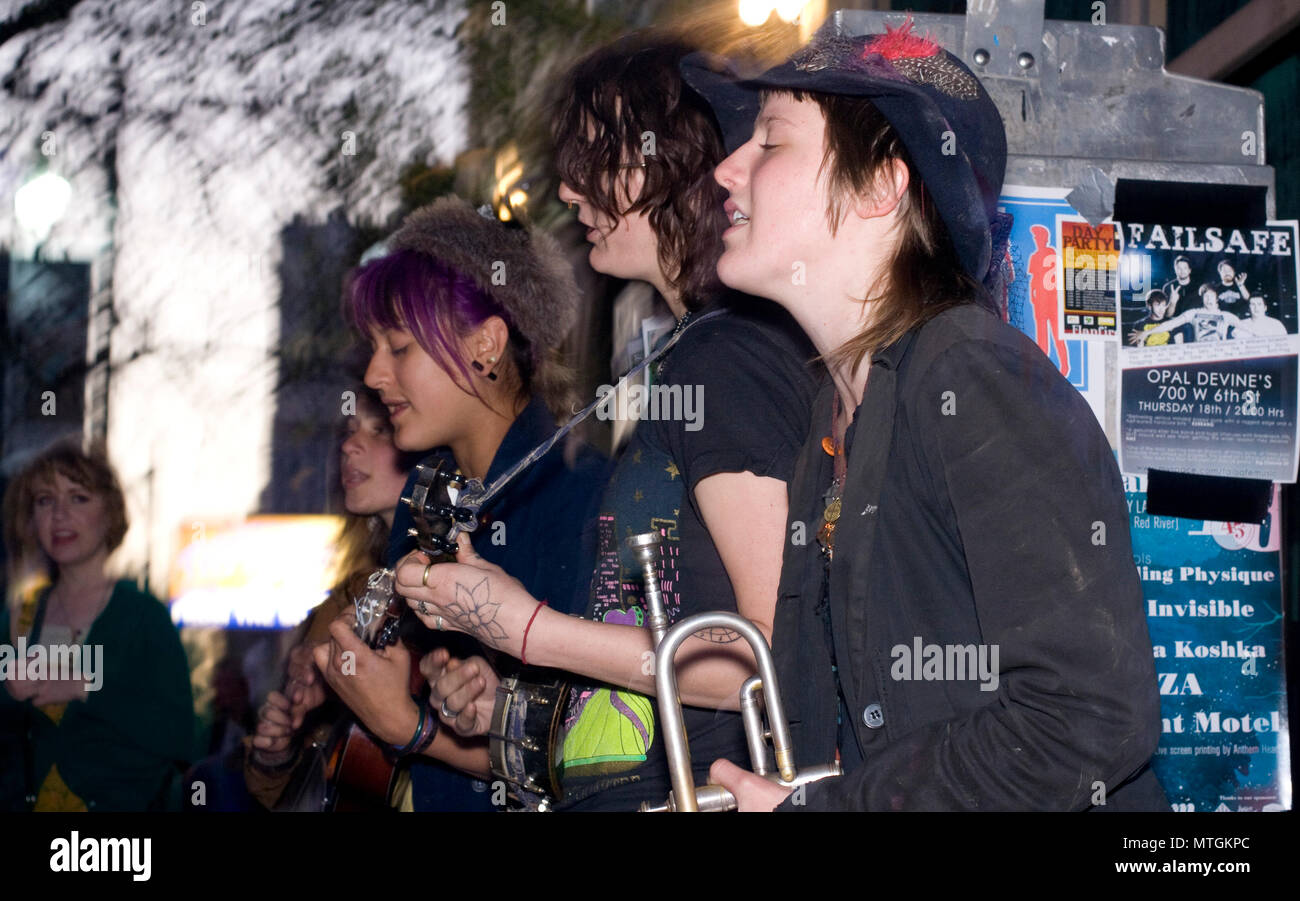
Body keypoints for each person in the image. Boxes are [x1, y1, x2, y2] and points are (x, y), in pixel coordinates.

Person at [684, 23, 1166, 810]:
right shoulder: (832, 420)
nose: (727, 168)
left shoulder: (971, 376)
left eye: (771, 142)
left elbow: (1090, 717)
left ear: (880, 186)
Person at [402, 33, 818, 811]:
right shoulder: (690, 356)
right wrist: (521, 694)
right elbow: (655, 665)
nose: (568, 189)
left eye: (599, 154)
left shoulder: (723, 361)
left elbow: (768, 657)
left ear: (682, 165)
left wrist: (527, 630)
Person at [312, 196, 609, 812]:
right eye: (373, 347)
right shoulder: (424, 507)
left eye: (398, 347)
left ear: (487, 345)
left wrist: (416, 729)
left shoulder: (585, 501)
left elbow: (601, 754)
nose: (372, 374)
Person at [240, 386, 417, 809]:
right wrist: (276, 753)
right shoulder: (338, 607)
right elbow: (301, 789)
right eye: (350, 429)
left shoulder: (463, 583)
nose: (349, 444)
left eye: (380, 430)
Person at [0, 439, 194, 811]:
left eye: (78, 498)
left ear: (110, 512)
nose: (59, 515)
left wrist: (86, 688)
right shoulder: (20, 617)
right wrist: (9, 691)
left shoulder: (144, 618)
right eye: (44, 500)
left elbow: (177, 736)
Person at [1137, 283, 1242, 344]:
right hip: (1198, 356)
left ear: (1217, 298)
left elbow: (1248, 328)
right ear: (1202, 298)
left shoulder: (1226, 316)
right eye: (1206, 296)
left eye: (1211, 296)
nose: (1208, 299)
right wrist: (1147, 332)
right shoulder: (1194, 313)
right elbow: (1170, 324)